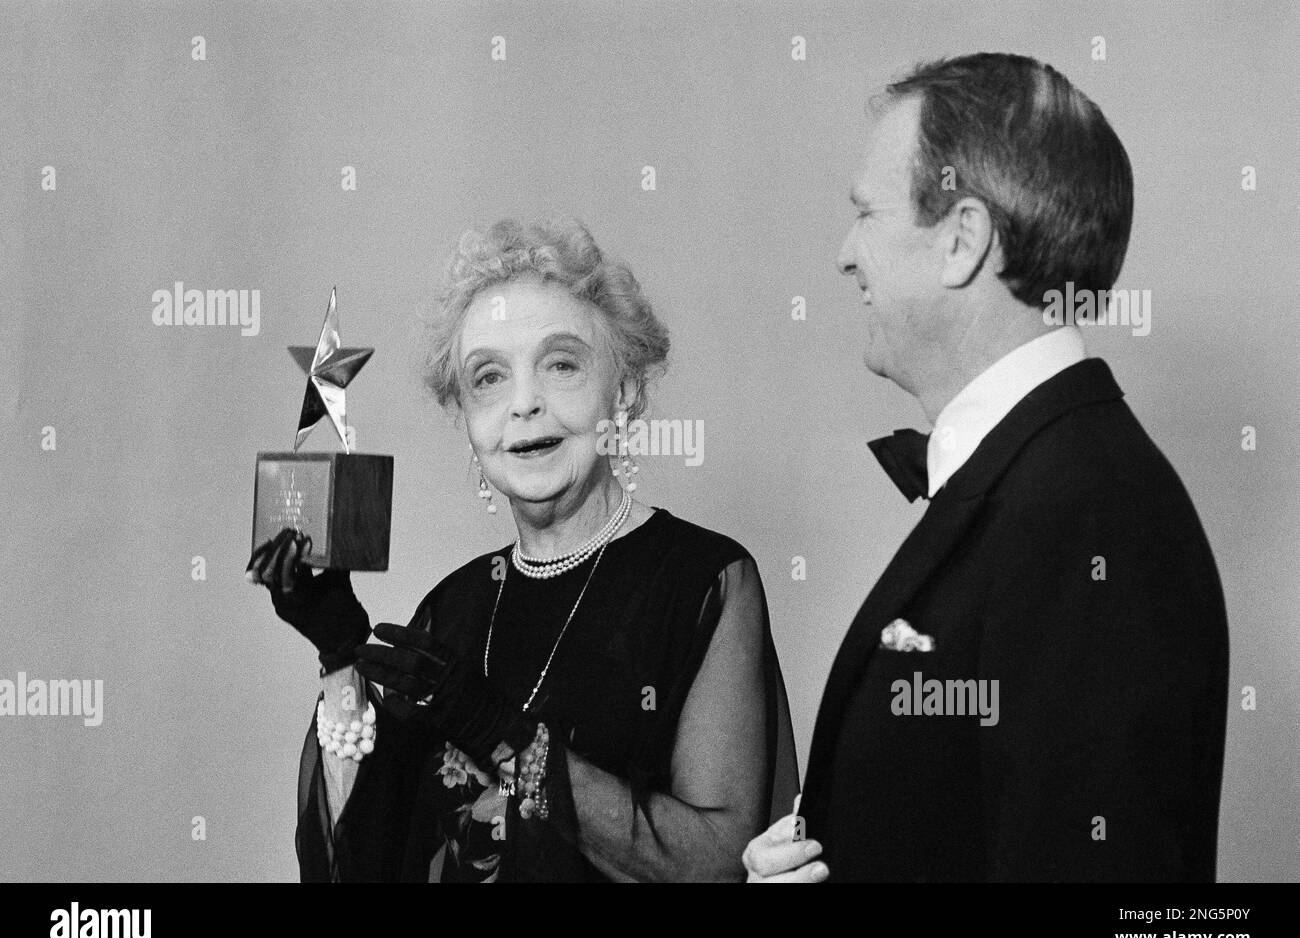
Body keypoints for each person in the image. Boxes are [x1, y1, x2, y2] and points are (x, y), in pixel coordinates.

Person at [744, 53, 1228, 882]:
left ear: (963, 239)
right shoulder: (1056, 481)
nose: (844, 255)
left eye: (865, 213)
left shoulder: (1089, 519)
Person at [250, 217, 797, 882]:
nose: (524, 405)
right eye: (488, 379)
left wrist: (497, 730)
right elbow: (362, 863)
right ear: (464, 419)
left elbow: (716, 862)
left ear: (622, 390)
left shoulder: (704, 581)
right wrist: (341, 653)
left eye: (561, 365)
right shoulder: (452, 607)